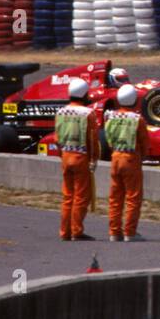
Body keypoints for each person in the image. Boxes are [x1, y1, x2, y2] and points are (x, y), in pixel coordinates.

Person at [54, 79, 99, 241]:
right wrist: (94, 159)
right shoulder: (88, 113)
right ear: (84, 94)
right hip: (81, 158)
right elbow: (93, 140)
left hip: (65, 156)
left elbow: (56, 138)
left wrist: (62, 155)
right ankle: (76, 231)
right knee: (81, 196)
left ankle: (64, 232)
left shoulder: (60, 112)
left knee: (67, 196)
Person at [104, 84, 148, 241]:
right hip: (131, 158)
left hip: (115, 157)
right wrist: (142, 156)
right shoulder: (138, 119)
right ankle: (130, 232)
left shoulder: (110, 117)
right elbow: (144, 143)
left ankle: (114, 232)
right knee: (133, 197)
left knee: (115, 198)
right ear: (135, 100)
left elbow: (108, 139)